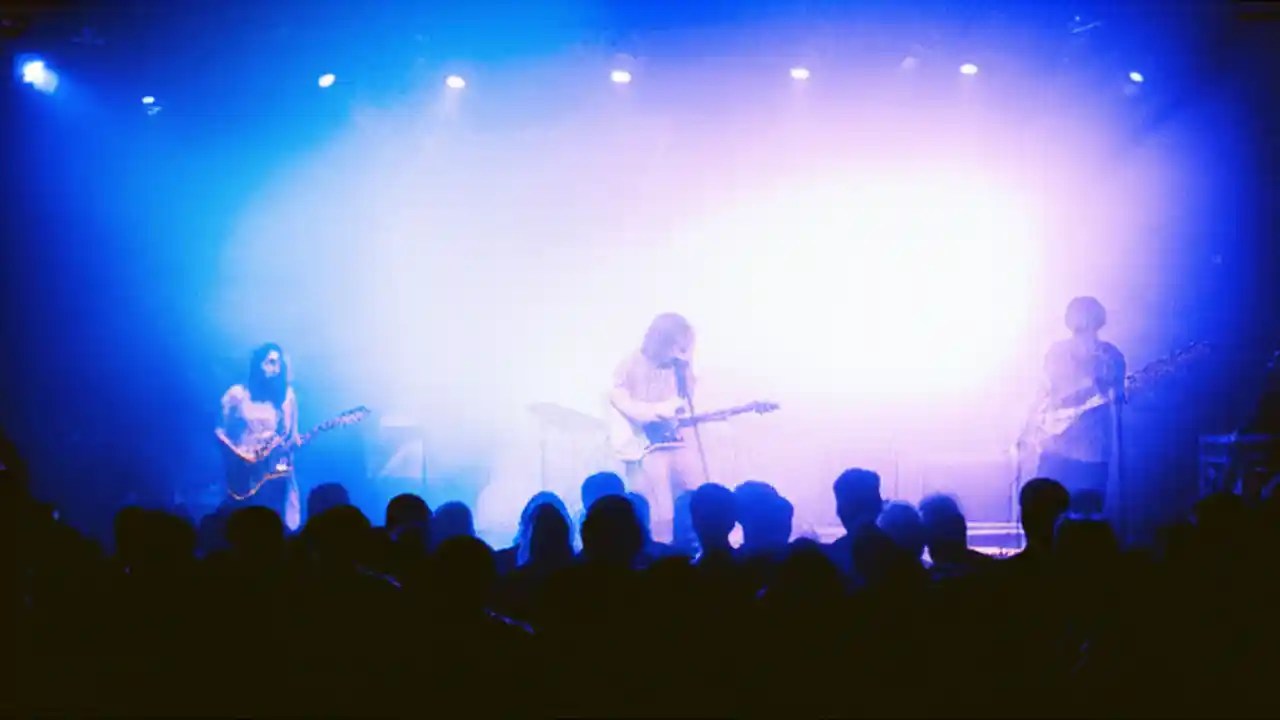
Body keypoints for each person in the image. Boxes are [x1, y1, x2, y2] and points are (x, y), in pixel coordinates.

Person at [608, 312, 706, 543]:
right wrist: (657, 411)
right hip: (640, 446)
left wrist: (685, 373)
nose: (678, 352)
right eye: (675, 345)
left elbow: (684, 401)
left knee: (693, 487)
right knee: (659, 507)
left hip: (671, 440)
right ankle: (660, 549)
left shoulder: (678, 367)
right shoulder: (629, 364)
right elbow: (622, 402)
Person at [1032, 297, 1126, 515]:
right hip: (1056, 445)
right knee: (1046, 509)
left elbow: (1117, 396)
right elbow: (1044, 392)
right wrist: (1033, 429)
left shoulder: (1110, 355)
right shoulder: (1056, 352)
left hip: (1090, 449)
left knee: (1085, 513)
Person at [215, 343, 301, 528]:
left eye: (279, 364)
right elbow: (219, 432)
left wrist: (292, 447)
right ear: (257, 364)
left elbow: (290, 437)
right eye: (270, 362)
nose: (276, 369)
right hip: (242, 476)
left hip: (273, 479)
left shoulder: (287, 397)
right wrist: (240, 456)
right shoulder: (236, 394)